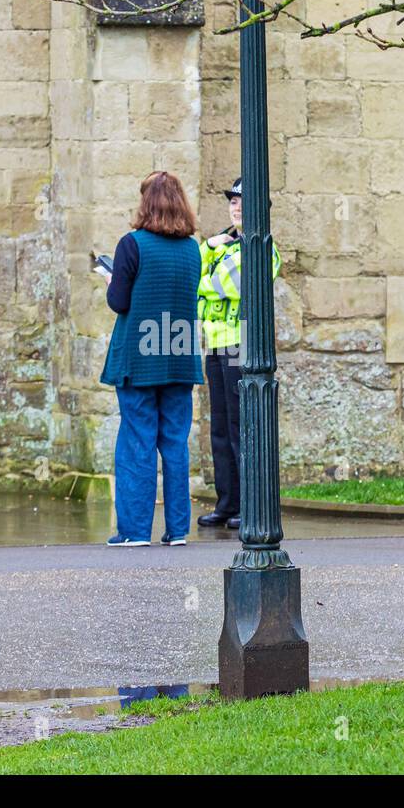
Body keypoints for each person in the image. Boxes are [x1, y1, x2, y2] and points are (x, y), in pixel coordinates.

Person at [101, 171, 203, 546]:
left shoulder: (132, 244)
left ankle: (134, 530)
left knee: (137, 441)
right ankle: (177, 529)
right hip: (178, 354)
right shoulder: (194, 248)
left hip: (140, 358)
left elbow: (119, 301)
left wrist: (111, 279)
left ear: (146, 202)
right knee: (174, 442)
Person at [196, 176, 281, 530]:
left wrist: (209, 258)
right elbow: (194, 280)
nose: (236, 206)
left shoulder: (262, 247)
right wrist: (210, 251)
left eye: (243, 202)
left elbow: (222, 285)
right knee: (219, 426)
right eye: (233, 201)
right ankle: (227, 503)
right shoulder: (219, 244)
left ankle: (250, 504)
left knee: (240, 426)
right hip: (216, 342)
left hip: (241, 343)